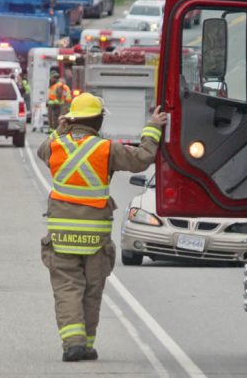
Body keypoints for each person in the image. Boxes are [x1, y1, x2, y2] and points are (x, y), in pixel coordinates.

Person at [37, 93, 167, 362]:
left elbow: (42, 149)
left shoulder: (56, 146)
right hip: (95, 239)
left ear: (71, 120)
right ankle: (86, 345)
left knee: (67, 289)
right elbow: (142, 158)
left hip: (61, 237)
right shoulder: (107, 149)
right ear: (98, 121)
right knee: (92, 291)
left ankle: (73, 344)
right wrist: (152, 127)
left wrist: (62, 127)